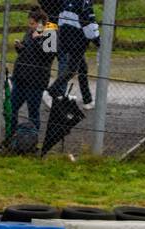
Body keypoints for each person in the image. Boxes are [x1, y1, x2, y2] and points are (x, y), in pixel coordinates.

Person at [43, 0, 97, 109]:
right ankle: (56, 94)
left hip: (60, 26)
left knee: (78, 65)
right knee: (57, 60)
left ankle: (86, 99)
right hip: (55, 26)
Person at [9, 7, 52, 139]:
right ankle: (11, 135)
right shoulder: (30, 32)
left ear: (40, 23)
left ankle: (31, 139)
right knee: (11, 109)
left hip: (35, 81)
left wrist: (38, 39)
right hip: (20, 78)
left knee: (33, 112)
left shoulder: (50, 34)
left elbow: (48, 57)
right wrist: (19, 47)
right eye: (29, 23)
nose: (30, 26)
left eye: (32, 23)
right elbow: (26, 51)